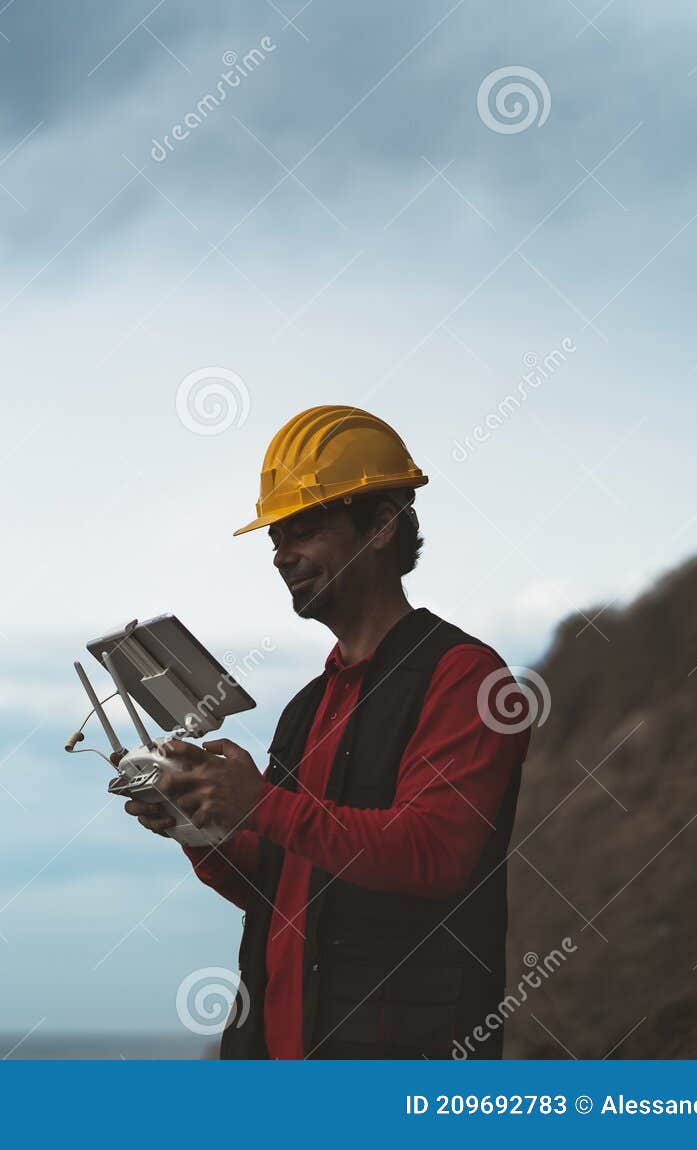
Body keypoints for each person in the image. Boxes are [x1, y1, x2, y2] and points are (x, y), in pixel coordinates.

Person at [118, 405, 531, 1059]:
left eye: (304, 530)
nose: (283, 556)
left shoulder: (469, 680)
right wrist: (195, 821)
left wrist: (258, 803)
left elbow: (433, 856)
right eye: (276, 539)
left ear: (382, 526)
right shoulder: (307, 709)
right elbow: (276, 889)